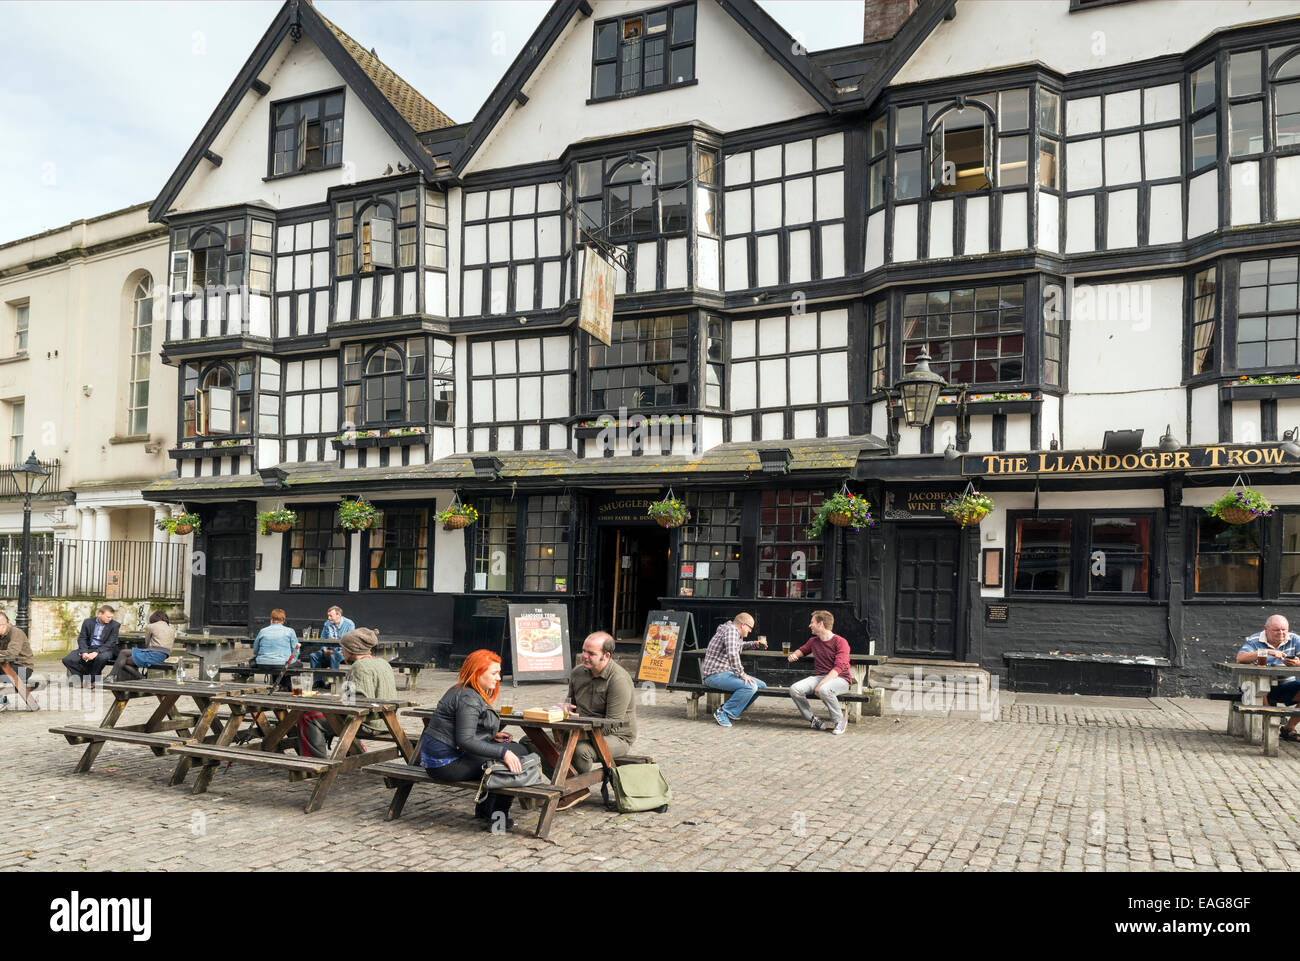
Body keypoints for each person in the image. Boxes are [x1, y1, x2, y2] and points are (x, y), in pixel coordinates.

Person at [416, 649, 536, 832]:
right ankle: (497, 819)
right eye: (494, 673)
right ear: (477, 672)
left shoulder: (462, 689)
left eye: (499, 672)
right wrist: (504, 752)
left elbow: (461, 729)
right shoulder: (468, 698)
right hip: (446, 765)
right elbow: (465, 740)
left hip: (438, 760)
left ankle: (485, 811)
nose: (499, 678)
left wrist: (492, 737)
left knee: (511, 751)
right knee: (515, 756)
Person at [558, 631, 637, 807]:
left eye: (591, 653)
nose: (584, 656)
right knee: (532, 740)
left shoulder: (618, 679)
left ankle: (572, 788)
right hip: (578, 730)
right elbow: (570, 702)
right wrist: (564, 708)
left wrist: (580, 726)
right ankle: (570, 787)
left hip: (617, 736)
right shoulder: (578, 672)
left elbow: (612, 724)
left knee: (579, 751)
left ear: (606, 656)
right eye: (584, 651)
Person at [787, 610, 854, 736]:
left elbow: (839, 668)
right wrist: (795, 654)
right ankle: (813, 719)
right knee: (794, 689)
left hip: (841, 679)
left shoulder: (840, 642)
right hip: (820, 677)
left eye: (812, 622)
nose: (810, 625)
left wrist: (821, 684)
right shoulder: (814, 641)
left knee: (824, 690)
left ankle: (839, 720)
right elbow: (803, 650)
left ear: (821, 624)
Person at [1237, 614, 1300, 742]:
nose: (1281, 633)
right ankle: (1266, 728)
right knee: (1260, 684)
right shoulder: (1255, 640)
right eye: (1276, 630)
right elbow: (1240, 658)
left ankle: (1289, 728)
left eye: (1284, 629)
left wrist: (1298, 663)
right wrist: (1267, 652)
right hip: (1258, 686)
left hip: (1285, 685)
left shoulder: (1295, 639)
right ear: (1266, 629)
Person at [701, 612, 767, 727]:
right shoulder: (731, 630)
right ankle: (723, 712)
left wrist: (754, 644)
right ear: (743, 625)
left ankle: (733, 710)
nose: (750, 631)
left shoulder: (732, 632)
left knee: (761, 686)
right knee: (750, 686)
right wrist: (742, 674)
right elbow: (732, 654)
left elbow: (738, 645)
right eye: (750, 627)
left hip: (724, 673)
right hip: (714, 675)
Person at [340, 627, 397, 737]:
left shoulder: (359, 666)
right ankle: (353, 750)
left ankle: (317, 755)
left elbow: (356, 702)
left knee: (310, 718)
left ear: (352, 649)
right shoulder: (384, 663)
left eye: (343, 648)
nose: (341, 651)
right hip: (389, 723)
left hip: (368, 725)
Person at [62, 605, 120, 685]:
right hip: (89, 648)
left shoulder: (115, 625)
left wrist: (97, 652)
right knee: (67, 659)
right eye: (108, 617)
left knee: (101, 658)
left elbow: (111, 642)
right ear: (100, 614)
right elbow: (82, 638)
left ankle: (92, 681)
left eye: (111, 617)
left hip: (105, 649)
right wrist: (84, 652)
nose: (110, 619)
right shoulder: (88, 622)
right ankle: (82, 679)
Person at [111, 610, 175, 681]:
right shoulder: (171, 630)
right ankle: (113, 675)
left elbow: (147, 643)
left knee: (123, 660)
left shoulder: (151, 626)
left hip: (153, 654)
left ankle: (140, 678)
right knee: (124, 653)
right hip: (162, 656)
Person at [0, 612, 35, 707]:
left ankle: (2, 701)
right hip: (7, 667)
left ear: (2, 625)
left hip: (23, 668)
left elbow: (12, 653)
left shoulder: (16, 633)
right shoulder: (1, 635)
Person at [310, 605, 355, 672]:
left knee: (333, 656)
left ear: (338, 615)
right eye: (328, 616)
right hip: (328, 650)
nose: (328, 618)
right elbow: (322, 639)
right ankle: (318, 681)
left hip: (343, 652)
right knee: (313, 656)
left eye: (331, 616)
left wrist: (335, 652)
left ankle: (333, 679)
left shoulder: (349, 624)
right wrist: (325, 650)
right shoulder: (327, 623)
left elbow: (350, 642)